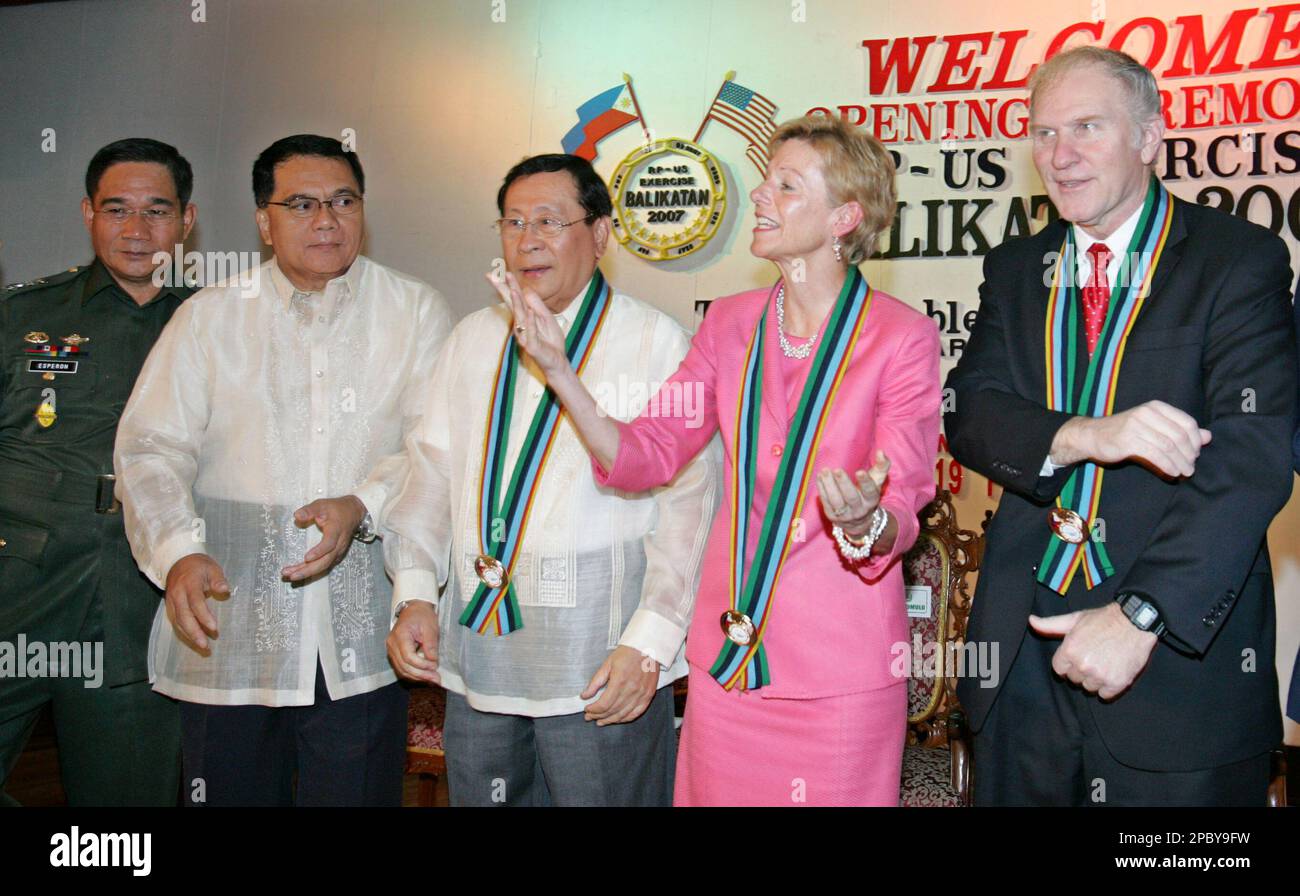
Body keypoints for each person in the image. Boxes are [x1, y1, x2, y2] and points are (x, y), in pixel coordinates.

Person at [498, 118, 940, 806]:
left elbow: (904, 501)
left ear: (843, 217)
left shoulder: (900, 337)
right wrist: (560, 372)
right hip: (730, 666)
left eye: (786, 185)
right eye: (767, 178)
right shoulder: (730, 324)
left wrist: (866, 521)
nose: (760, 195)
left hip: (839, 674)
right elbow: (646, 454)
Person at [945, 46, 1296, 806]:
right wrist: (1087, 433)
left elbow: (1253, 455)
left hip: (1177, 674)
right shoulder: (1014, 268)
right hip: (1018, 668)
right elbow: (970, 414)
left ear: (1148, 137)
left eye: (1087, 128)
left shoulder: (1237, 261)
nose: (1059, 156)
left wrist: (1142, 614)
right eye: (1042, 133)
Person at [114, 134, 453, 806]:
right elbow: (150, 449)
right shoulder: (210, 318)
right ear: (263, 222)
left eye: (343, 201)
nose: (326, 219)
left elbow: (435, 449)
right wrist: (180, 552)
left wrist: (361, 502)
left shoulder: (415, 312)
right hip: (231, 628)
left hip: (361, 639)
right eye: (300, 204)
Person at [383, 153, 718, 807]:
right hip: (482, 654)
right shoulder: (471, 340)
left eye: (549, 220)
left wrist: (647, 644)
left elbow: (691, 508)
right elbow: (427, 476)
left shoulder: (657, 343)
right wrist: (416, 592)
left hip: (602, 664)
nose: (527, 239)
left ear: (601, 234)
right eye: (512, 222)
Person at [0, 138, 196, 806]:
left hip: (138, 600)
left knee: (125, 816)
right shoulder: (22, 317)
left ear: (187, 221)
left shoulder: (217, 325)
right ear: (88, 214)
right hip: (17, 583)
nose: (137, 231)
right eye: (117, 210)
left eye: (156, 211)